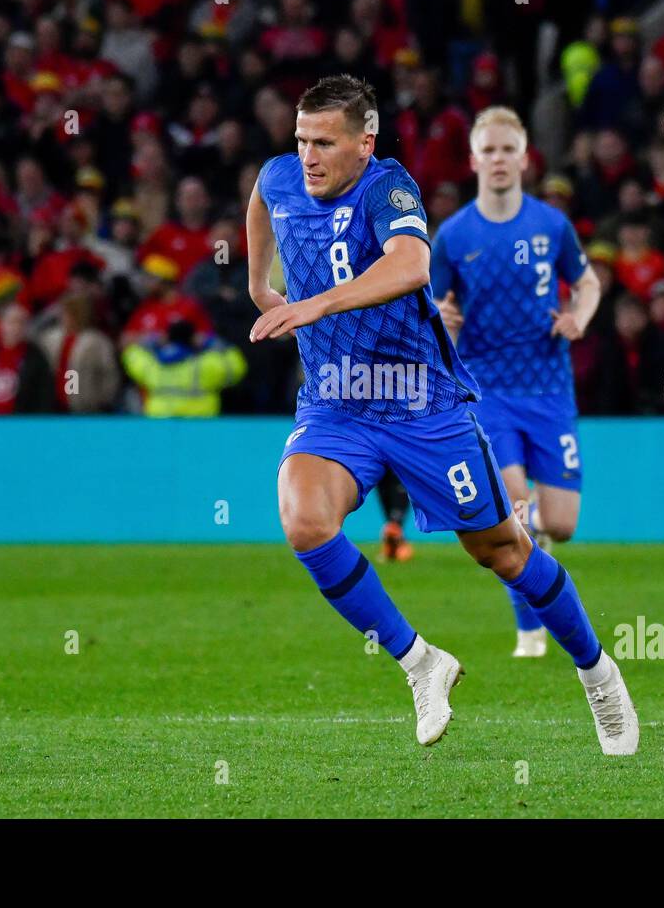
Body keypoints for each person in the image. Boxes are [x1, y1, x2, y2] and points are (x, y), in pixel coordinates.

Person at [246, 74, 636, 753]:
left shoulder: (388, 188)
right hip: (336, 404)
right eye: (302, 140)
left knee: (504, 552)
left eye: (325, 144)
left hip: (422, 406)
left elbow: (409, 267)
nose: (308, 156)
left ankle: (598, 672)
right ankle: (421, 662)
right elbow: (261, 199)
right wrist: (258, 281)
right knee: (304, 521)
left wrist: (315, 303)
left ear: (364, 145)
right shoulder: (281, 178)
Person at [430, 106, 602, 658]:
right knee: (518, 507)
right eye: (490, 150)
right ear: (473, 159)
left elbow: (589, 281)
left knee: (561, 524)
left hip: (550, 389)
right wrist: (443, 320)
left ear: (524, 159)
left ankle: (537, 578)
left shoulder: (551, 224)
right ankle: (529, 630)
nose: (499, 159)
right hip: (490, 393)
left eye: (509, 150)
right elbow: (426, 309)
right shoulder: (454, 236)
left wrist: (579, 317)